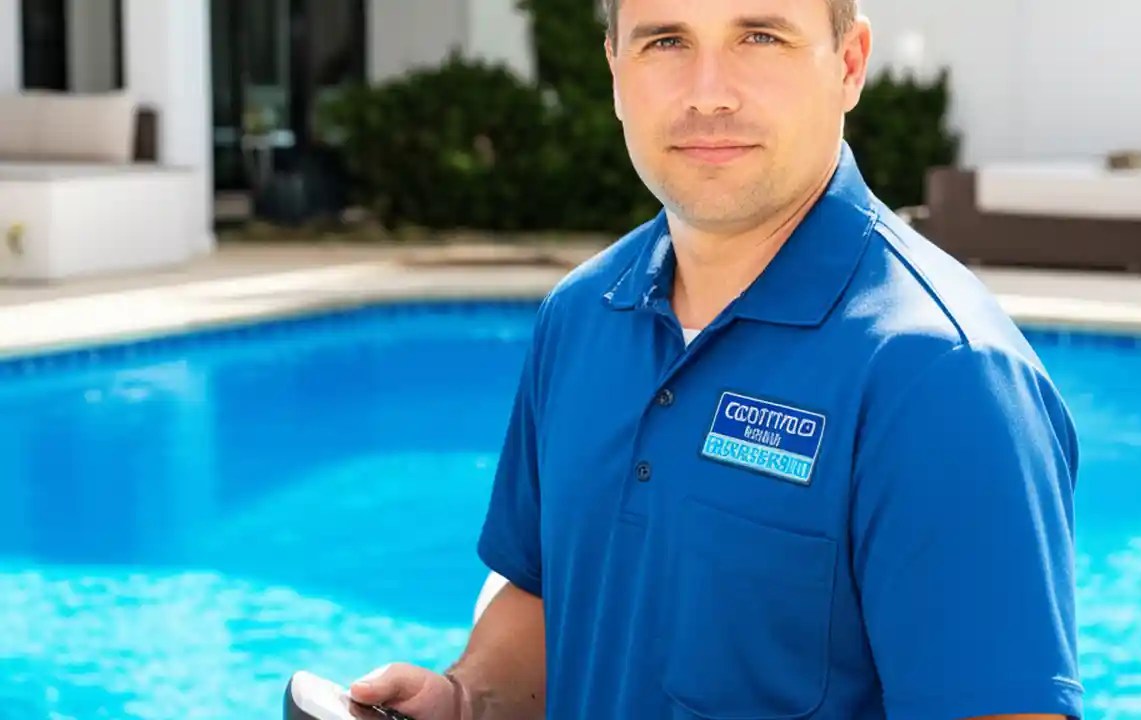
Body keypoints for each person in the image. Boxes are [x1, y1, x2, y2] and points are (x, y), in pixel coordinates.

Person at [349, 0, 1083, 717]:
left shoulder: (943, 378)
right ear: (614, 70)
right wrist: (465, 701)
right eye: (665, 41)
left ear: (850, 65)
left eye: (759, 36)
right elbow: (546, 598)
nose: (708, 94)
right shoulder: (579, 318)